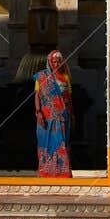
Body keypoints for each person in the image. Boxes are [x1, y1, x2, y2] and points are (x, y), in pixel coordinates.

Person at [33, 49, 73, 177]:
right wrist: (38, 112)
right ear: (49, 62)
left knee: (62, 143)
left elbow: (68, 97)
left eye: (58, 61)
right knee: (46, 143)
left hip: (62, 116)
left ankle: (63, 172)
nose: (56, 64)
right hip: (46, 116)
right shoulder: (41, 76)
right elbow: (37, 95)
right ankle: (46, 171)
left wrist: (72, 113)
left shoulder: (65, 78)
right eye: (53, 62)